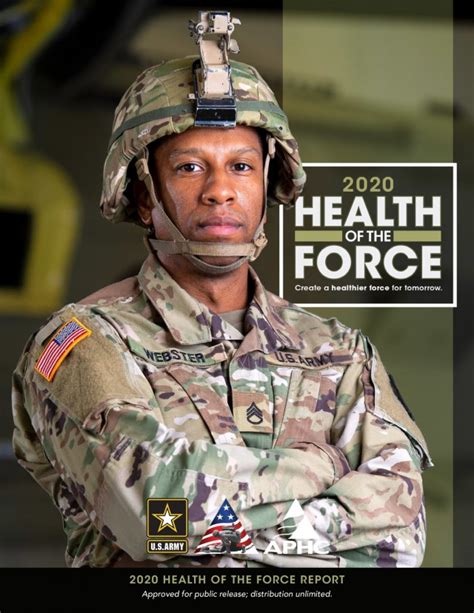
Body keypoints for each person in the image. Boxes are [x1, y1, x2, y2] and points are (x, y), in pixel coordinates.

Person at [11, 10, 432, 568]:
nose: (220, 191)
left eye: (240, 166)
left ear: (267, 184)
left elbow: (398, 538)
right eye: (189, 167)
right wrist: (322, 468)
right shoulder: (82, 344)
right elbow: (153, 522)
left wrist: (217, 524)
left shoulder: (342, 353)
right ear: (143, 196)